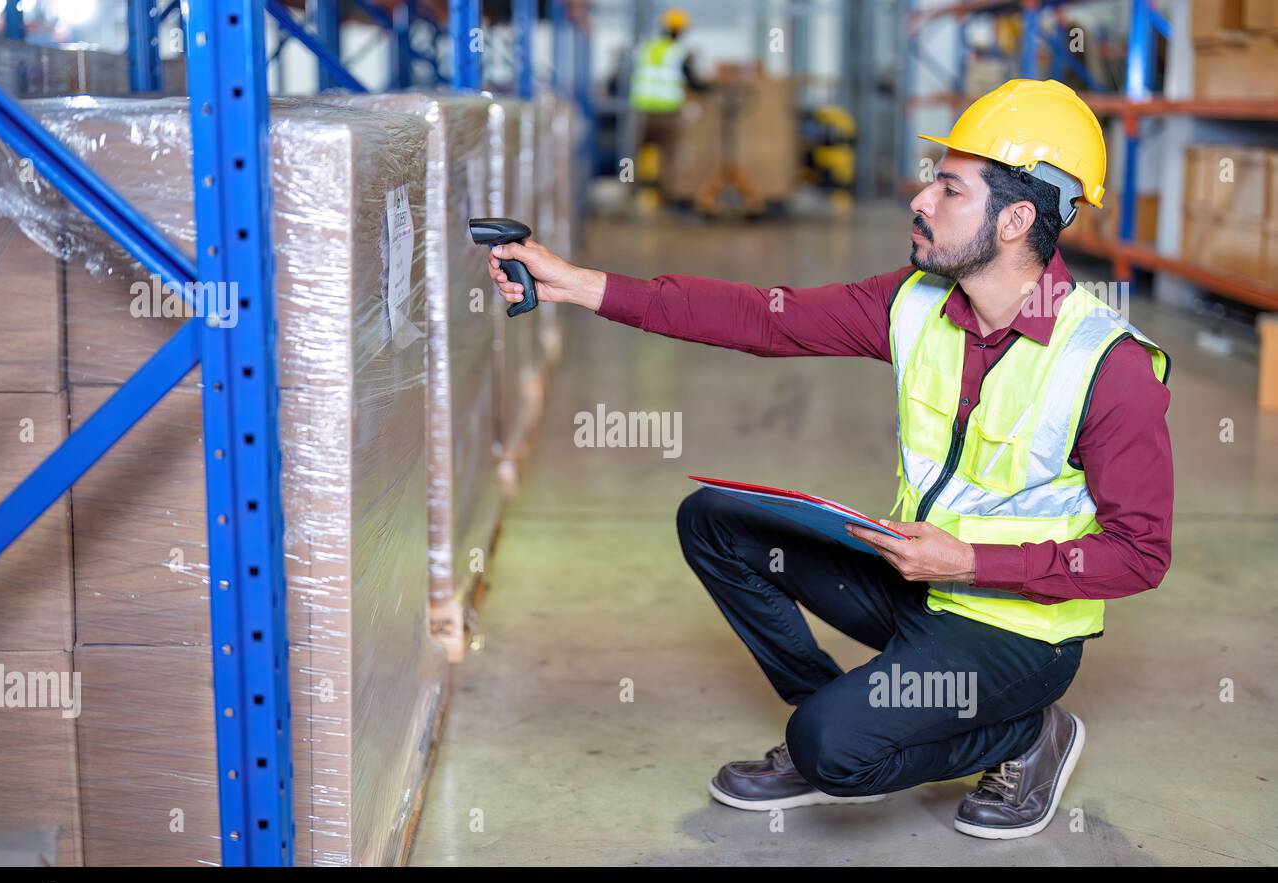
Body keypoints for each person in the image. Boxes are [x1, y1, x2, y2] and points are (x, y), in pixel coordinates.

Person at [482, 79, 1173, 840]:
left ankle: (1025, 735)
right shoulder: (916, 303)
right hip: (917, 583)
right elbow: (760, 318)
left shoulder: (1109, 365)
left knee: (832, 755)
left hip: (1015, 634)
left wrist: (972, 562)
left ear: (1015, 219)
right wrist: (578, 285)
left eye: (947, 187)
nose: (919, 199)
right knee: (716, 520)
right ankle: (834, 713)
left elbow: (1139, 555)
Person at [626, 7, 710, 188]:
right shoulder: (679, 52)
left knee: (635, 154)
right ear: (680, 31)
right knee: (669, 156)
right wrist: (711, 89)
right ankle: (667, 194)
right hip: (667, 113)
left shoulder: (645, 48)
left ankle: (634, 190)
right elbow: (693, 82)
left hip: (642, 111)